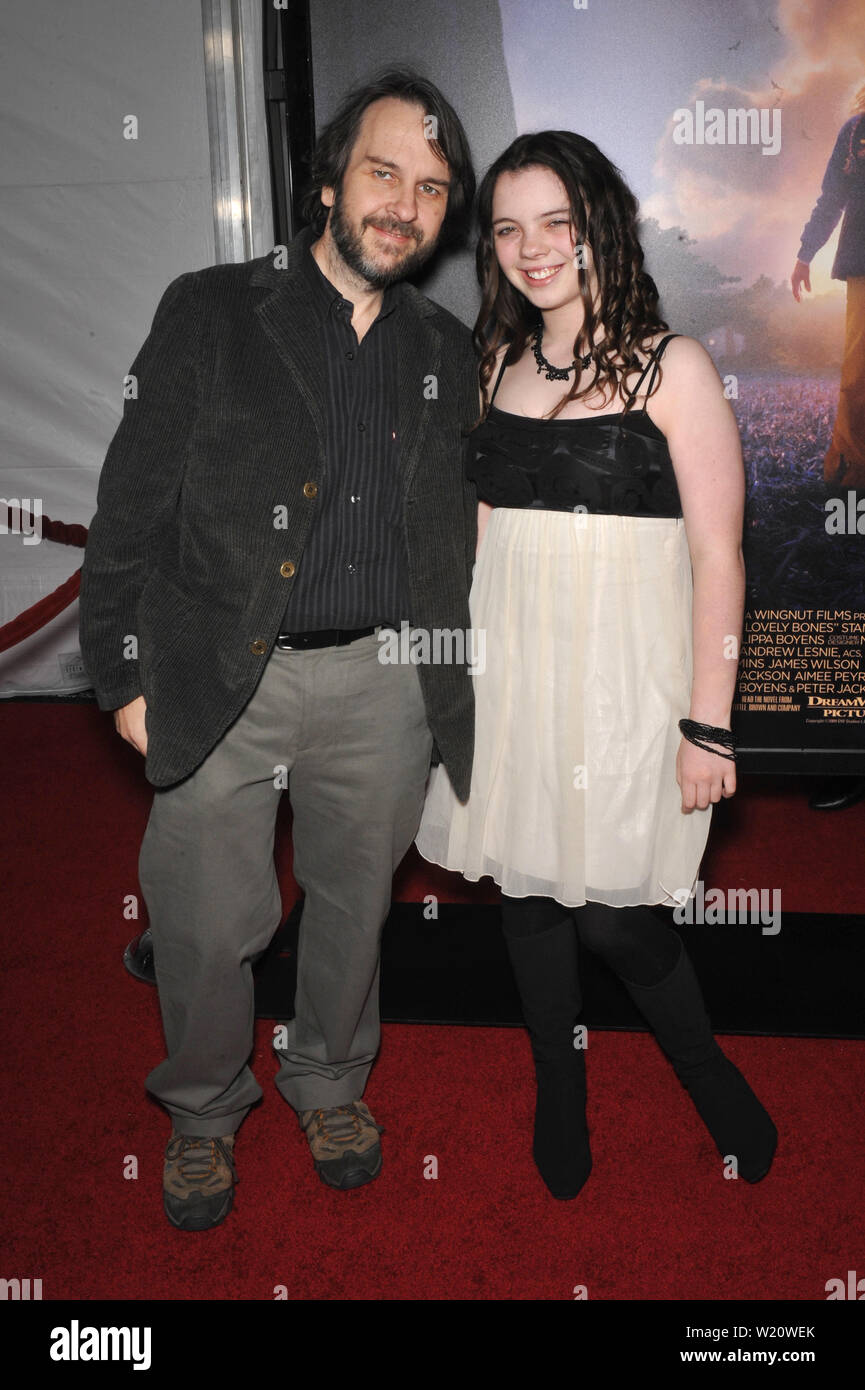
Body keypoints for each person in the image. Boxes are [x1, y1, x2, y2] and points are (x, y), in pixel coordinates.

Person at [79, 68, 478, 1230]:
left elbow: (461, 532)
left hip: (382, 681)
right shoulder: (210, 308)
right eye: (383, 172)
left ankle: (328, 1082)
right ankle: (203, 1111)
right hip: (219, 672)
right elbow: (130, 505)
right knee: (205, 920)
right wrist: (121, 675)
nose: (403, 204)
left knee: (354, 905)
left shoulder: (447, 350)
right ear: (328, 179)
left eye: (432, 188)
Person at [416, 131, 778, 1200]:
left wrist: (709, 723)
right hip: (516, 676)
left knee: (617, 912)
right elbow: (483, 532)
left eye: (555, 223)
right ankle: (557, 1088)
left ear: (598, 227)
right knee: (527, 896)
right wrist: (458, 680)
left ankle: (710, 1079)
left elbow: (719, 552)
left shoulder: (675, 365)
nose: (532, 250)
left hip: (629, 685)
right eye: (508, 228)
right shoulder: (496, 362)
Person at [791, 83, 865, 489]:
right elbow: (831, 198)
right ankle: (851, 477)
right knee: (859, 374)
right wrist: (806, 254)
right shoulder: (855, 133)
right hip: (864, 266)